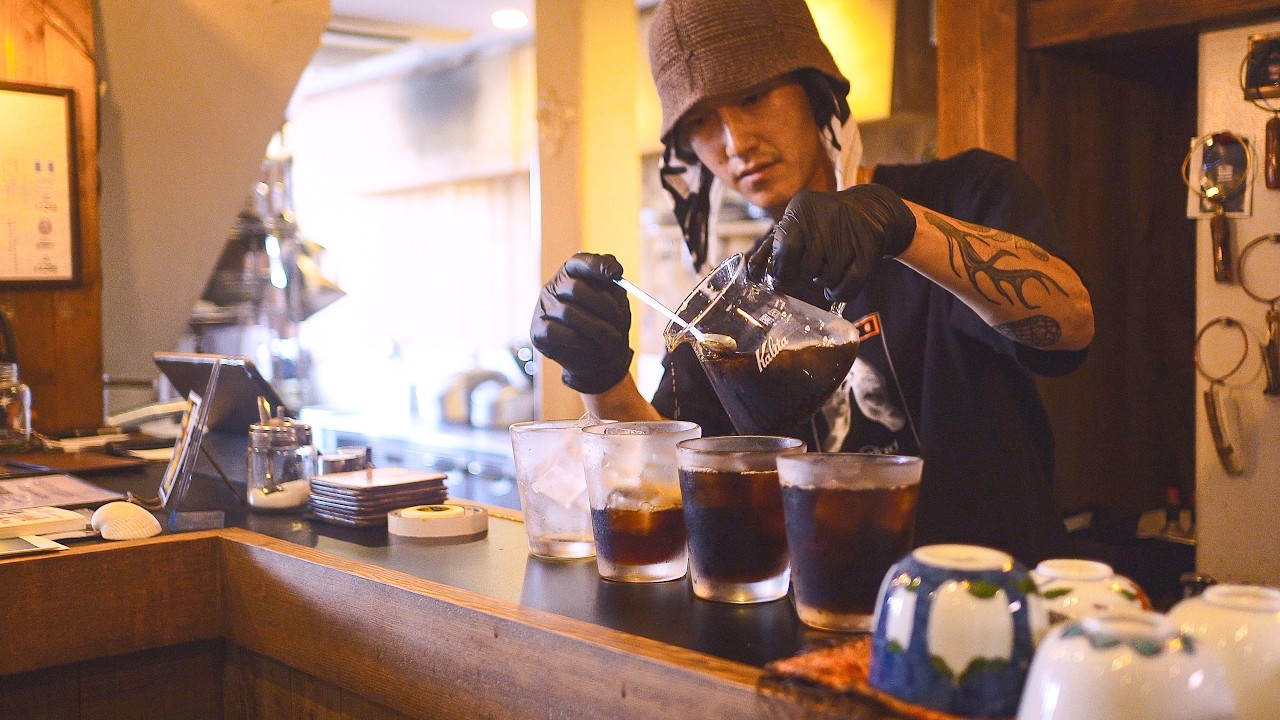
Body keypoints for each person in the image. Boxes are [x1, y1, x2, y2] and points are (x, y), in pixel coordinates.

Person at [529, 0, 1094, 565]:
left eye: (752, 97)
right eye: (701, 121)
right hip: (822, 624)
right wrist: (602, 379)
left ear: (813, 88)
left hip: (998, 610)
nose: (734, 142)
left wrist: (899, 224)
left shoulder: (965, 194)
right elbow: (673, 492)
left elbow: (1070, 327)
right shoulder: (731, 310)